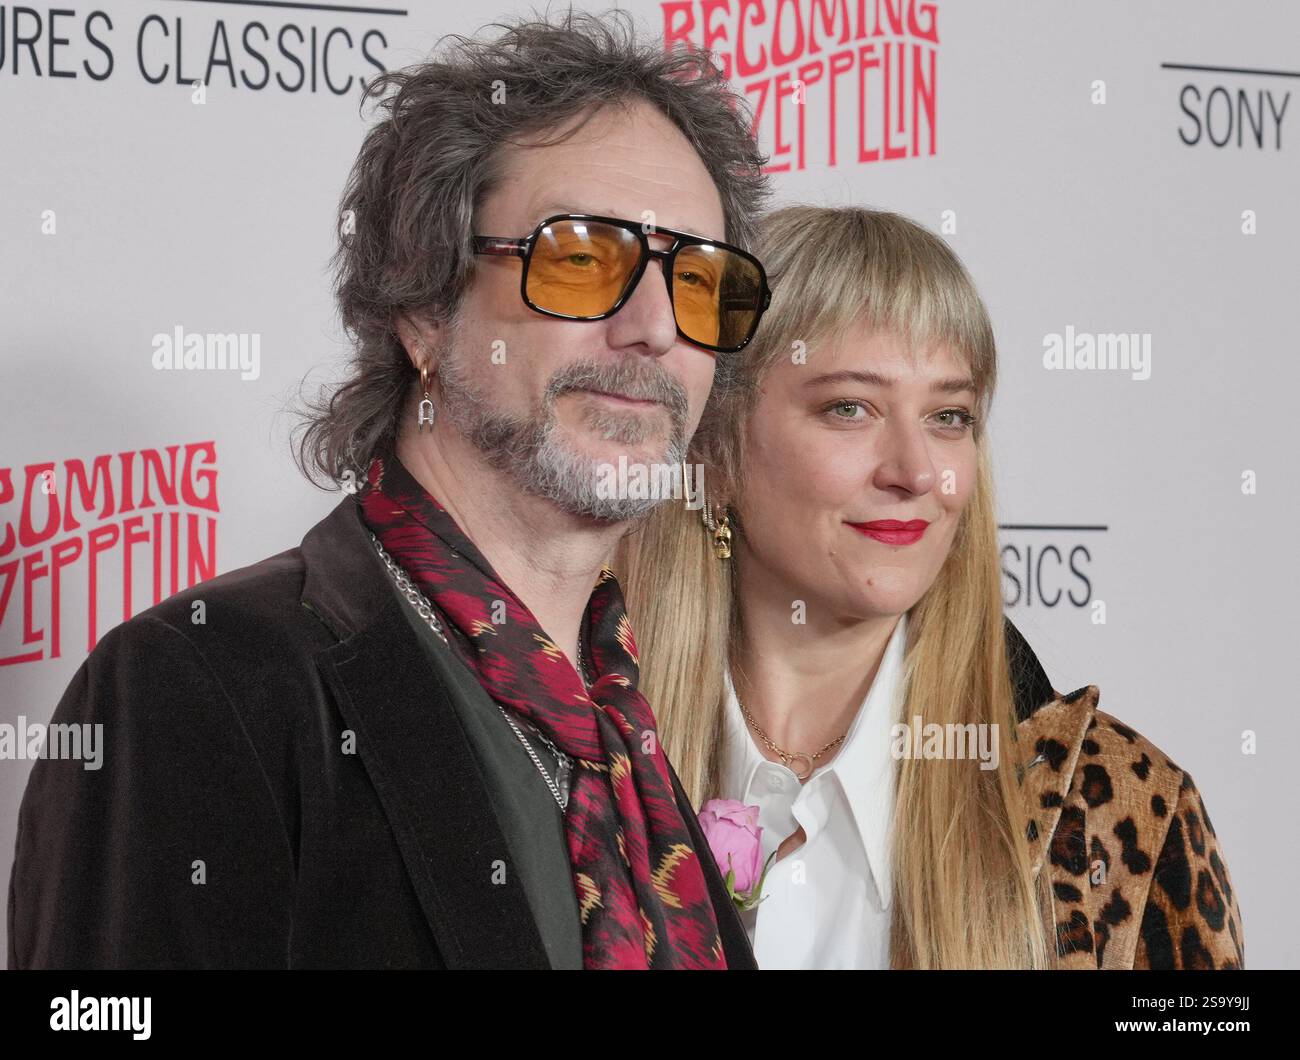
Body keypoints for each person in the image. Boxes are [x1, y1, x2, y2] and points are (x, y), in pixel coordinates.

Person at [8, 11, 775, 970]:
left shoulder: (629, 733)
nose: (655, 327)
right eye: (583, 258)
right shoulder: (200, 687)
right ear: (421, 308)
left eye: (699, 280)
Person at [616, 205, 1245, 969]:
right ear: (715, 446)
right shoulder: (581, 766)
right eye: (850, 408)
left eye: (949, 416)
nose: (915, 472)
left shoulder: (1117, 817)